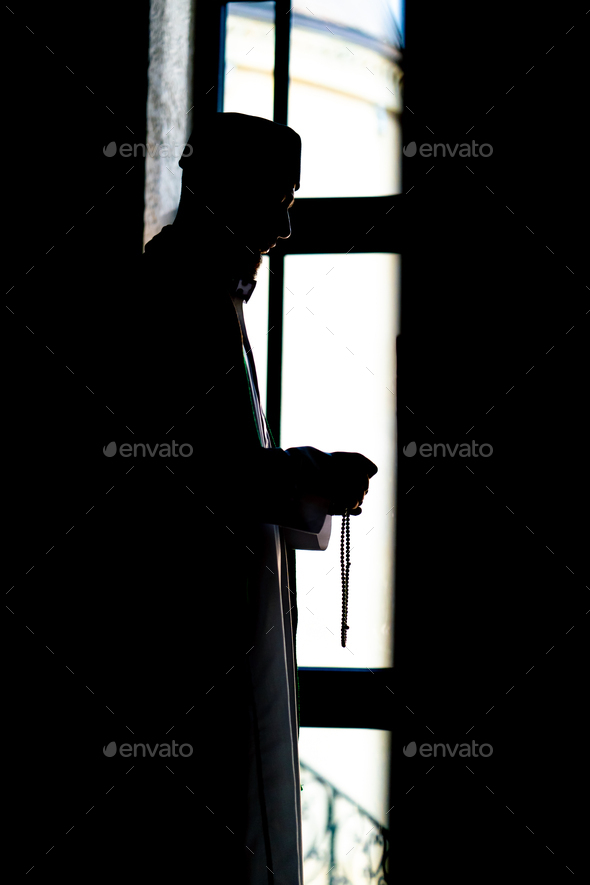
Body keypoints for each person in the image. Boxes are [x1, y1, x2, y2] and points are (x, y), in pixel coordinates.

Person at [133, 112, 378, 883]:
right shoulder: (176, 295)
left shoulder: (201, 291)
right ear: (225, 195)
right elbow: (201, 470)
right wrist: (315, 475)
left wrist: (307, 476)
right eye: (280, 199)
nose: (286, 227)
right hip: (184, 631)